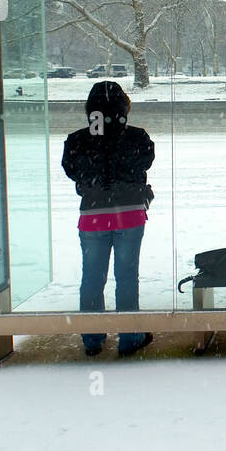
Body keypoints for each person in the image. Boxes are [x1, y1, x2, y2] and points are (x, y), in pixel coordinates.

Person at [61, 81, 155, 357]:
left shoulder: (76, 140)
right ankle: (129, 336)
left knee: (92, 277)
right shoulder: (137, 138)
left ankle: (92, 338)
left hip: (92, 216)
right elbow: (145, 161)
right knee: (126, 277)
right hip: (129, 215)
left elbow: (72, 171)